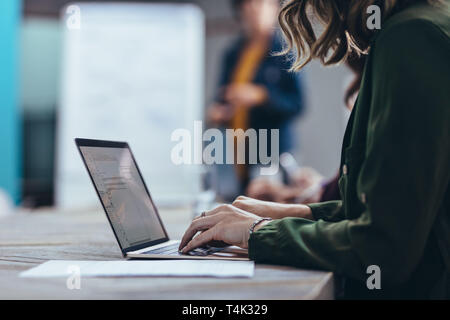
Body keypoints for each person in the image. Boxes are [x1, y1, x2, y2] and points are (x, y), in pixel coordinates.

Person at [181, 0, 450, 299]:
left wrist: (258, 231)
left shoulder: (412, 36)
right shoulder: (413, 28)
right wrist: (281, 214)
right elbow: (375, 212)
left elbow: (383, 247)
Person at [208, 0, 304, 196]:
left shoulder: (285, 52)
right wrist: (219, 111)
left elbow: (297, 104)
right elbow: (222, 96)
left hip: (271, 157)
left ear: (275, 8)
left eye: (262, 3)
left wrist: (262, 96)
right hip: (236, 154)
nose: (254, 10)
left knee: (265, 212)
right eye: (248, 4)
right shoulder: (233, 54)